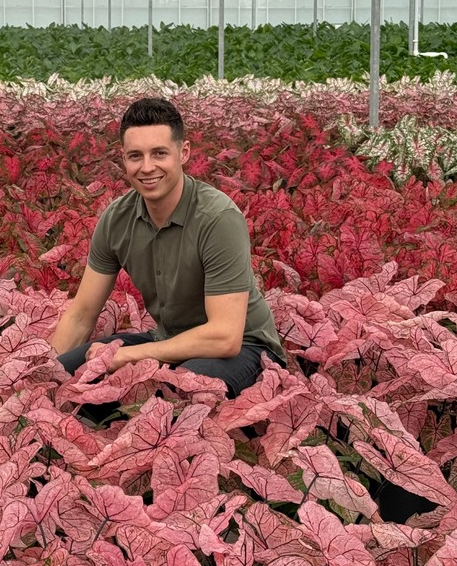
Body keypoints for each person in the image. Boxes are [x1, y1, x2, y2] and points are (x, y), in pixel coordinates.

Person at [49, 97, 286, 405]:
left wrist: (132, 356)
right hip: (168, 341)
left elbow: (225, 336)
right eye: (135, 156)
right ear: (123, 159)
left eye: (159, 153)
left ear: (183, 152)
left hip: (246, 348)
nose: (147, 168)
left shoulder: (217, 218)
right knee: (70, 373)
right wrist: (46, 375)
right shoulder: (117, 219)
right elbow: (81, 315)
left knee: (180, 389)